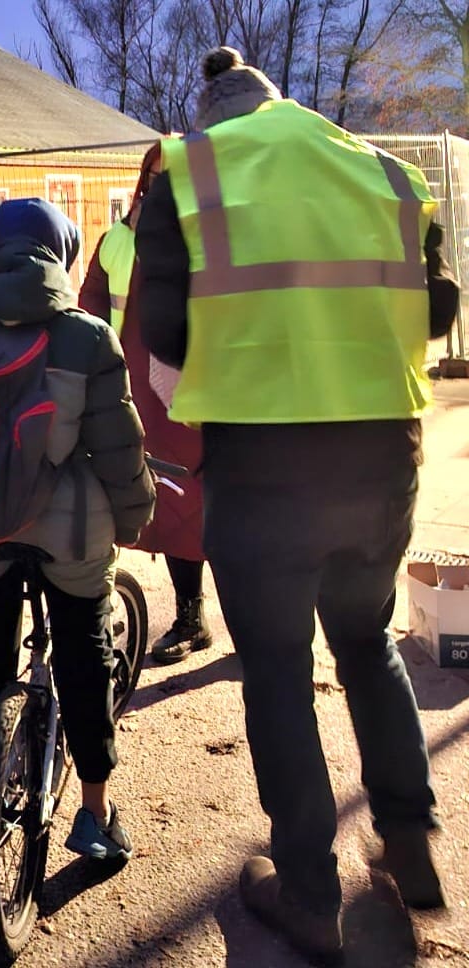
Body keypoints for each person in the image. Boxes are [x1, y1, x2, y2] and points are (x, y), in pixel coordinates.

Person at [136, 47, 458, 963]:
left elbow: (166, 330)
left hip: (265, 459)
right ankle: (407, 841)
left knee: (277, 669)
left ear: (210, 117)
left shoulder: (190, 173)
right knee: (367, 642)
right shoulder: (385, 173)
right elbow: (438, 309)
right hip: (382, 452)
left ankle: (311, 892)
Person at [0, 198, 155, 860]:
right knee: (82, 651)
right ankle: (95, 814)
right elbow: (119, 452)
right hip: (69, 533)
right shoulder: (88, 337)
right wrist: (133, 519)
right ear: (63, 252)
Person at [79, 140, 212, 665]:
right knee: (171, 505)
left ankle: (253, 624)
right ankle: (190, 615)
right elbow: (90, 303)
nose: (159, 186)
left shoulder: (210, 240)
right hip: (136, 391)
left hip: (199, 389)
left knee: (216, 507)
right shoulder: (118, 240)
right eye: (152, 176)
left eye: (172, 176)